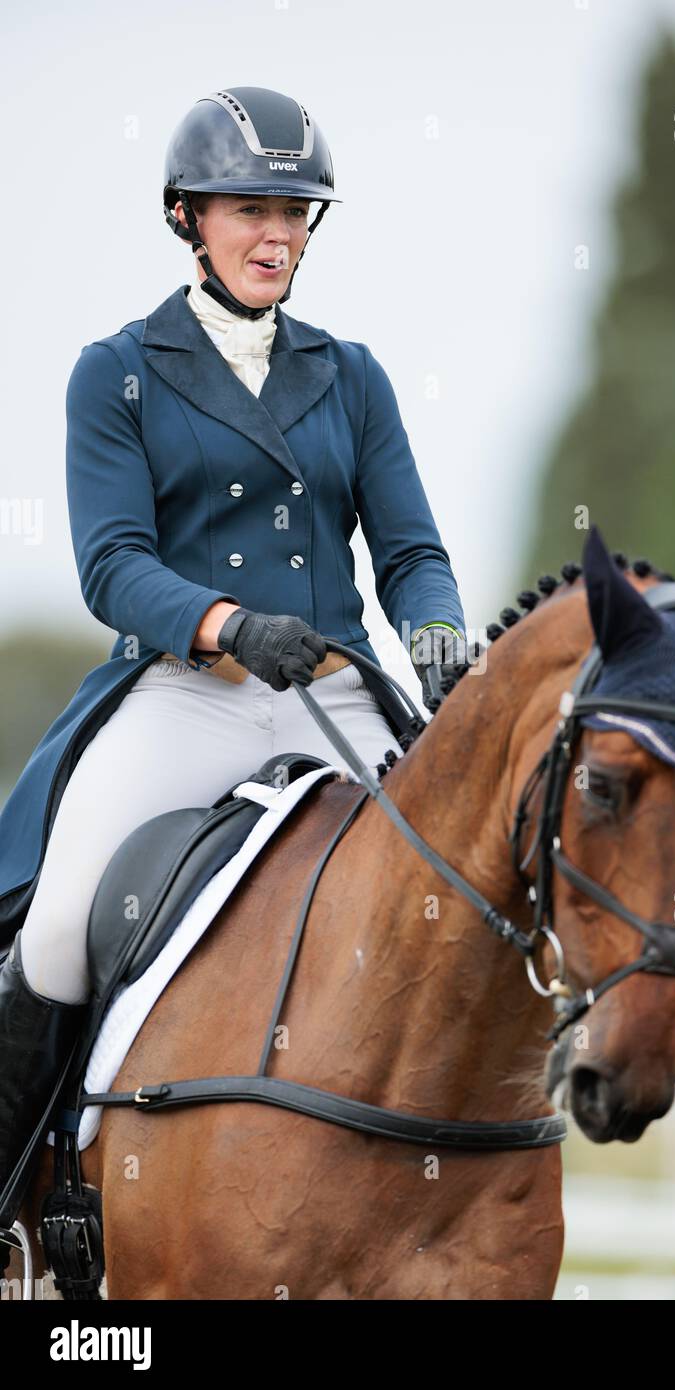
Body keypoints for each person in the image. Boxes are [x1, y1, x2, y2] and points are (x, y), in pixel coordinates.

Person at [0, 86, 467, 1228]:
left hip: (332, 697)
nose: (277, 235)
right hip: (187, 693)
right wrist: (223, 625)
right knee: (60, 924)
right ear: (186, 216)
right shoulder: (114, 369)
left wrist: (438, 632)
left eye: (297, 212)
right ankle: (24, 1190)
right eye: (251, 208)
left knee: (456, 891)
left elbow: (409, 550)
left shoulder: (350, 374)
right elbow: (112, 565)